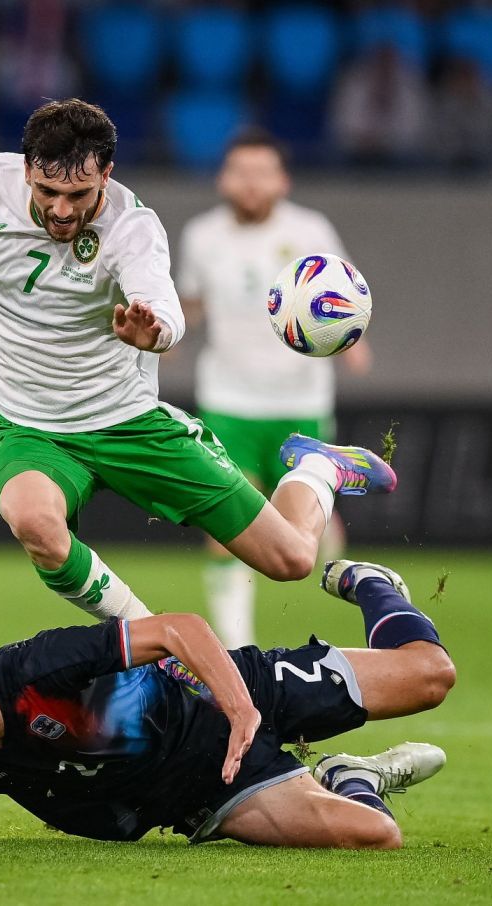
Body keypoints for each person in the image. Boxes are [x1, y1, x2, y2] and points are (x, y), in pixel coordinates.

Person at [0, 99, 395, 627]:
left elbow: (165, 306)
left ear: (106, 173)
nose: (62, 210)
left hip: (128, 422)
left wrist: (155, 332)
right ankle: (156, 642)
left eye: (79, 194)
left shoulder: (133, 227)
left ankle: (319, 470)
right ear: (27, 168)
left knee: (291, 561)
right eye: (48, 191)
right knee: (34, 523)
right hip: (30, 426)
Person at [0, 559, 455, 848]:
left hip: (230, 692)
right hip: (210, 790)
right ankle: (351, 777)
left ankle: (371, 585)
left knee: (431, 676)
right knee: (376, 835)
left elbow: (178, 628)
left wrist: (242, 708)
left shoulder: (33, 669)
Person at [176, 128, 374, 649]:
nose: (251, 182)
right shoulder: (202, 236)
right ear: (223, 179)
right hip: (228, 401)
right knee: (229, 522)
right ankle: (238, 648)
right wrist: (162, 336)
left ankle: (328, 524)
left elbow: (342, 297)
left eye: (262, 172)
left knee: (295, 530)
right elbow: (191, 303)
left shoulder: (311, 231)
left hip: (299, 400)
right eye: (240, 171)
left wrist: (352, 341)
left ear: (283, 180)